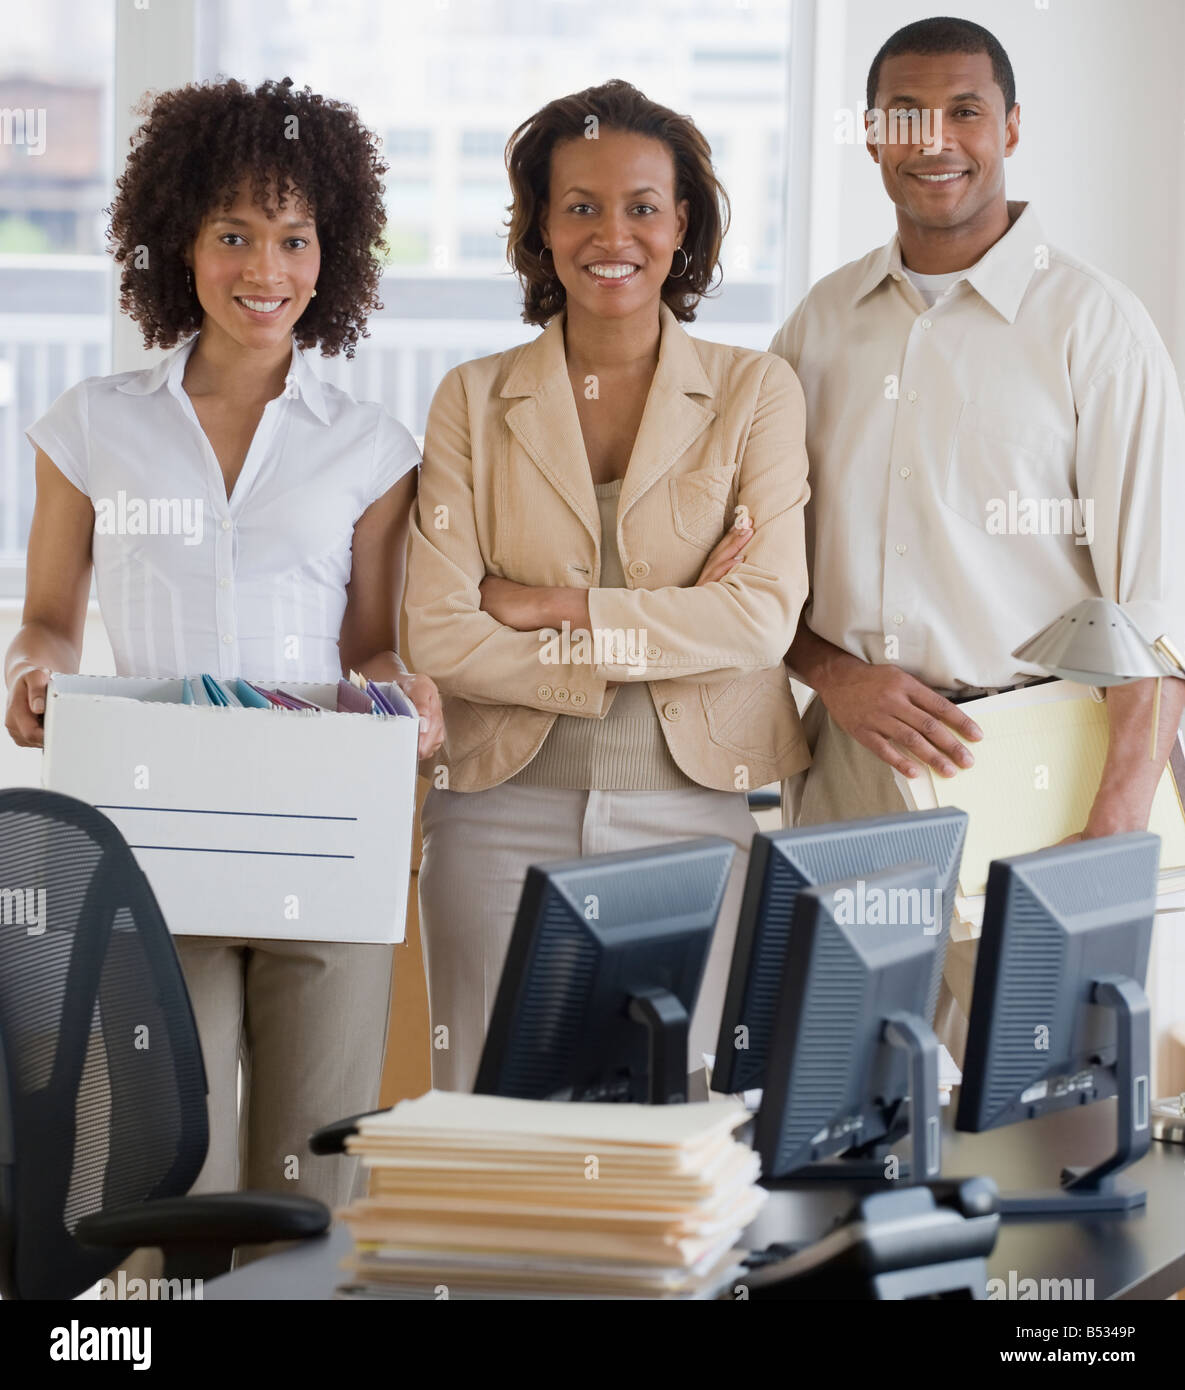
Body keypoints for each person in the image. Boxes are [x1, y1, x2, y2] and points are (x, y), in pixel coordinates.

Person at [4, 78, 445, 1262]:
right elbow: (50, 615)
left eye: (296, 238)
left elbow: (370, 646)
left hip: (326, 832)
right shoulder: (94, 423)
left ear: (331, 252)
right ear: (180, 245)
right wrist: (31, 672)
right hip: (157, 843)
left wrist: (412, 699)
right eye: (234, 235)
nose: (268, 268)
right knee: (162, 1161)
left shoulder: (371, 443)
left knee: (314, 1177)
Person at [769, 17, 1185, 1064]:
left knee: (1054, 1106)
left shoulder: (1096, 325)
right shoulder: (818, 327)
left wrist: (1114, 828)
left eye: (965, 110)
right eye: (907, 113)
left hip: (1041, 771)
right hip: (855, 762)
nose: (936, 139)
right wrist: (836, 677)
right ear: (870, 133)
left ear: (1011, 127)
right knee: (840, 1099)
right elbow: (761, 573)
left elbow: (1156, 607)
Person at [406, 79, 811, 1092]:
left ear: (683, 223)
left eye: (641, 205)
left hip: (693, 811)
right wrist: (673, 620)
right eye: (579, 204)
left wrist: (556, 606)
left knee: (679, 1130)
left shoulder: (755, 391)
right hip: (498, 813)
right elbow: (440, 636)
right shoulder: (471, 396)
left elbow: (762, 617)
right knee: (493, 1128)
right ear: (541, 225)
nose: (610, 233)